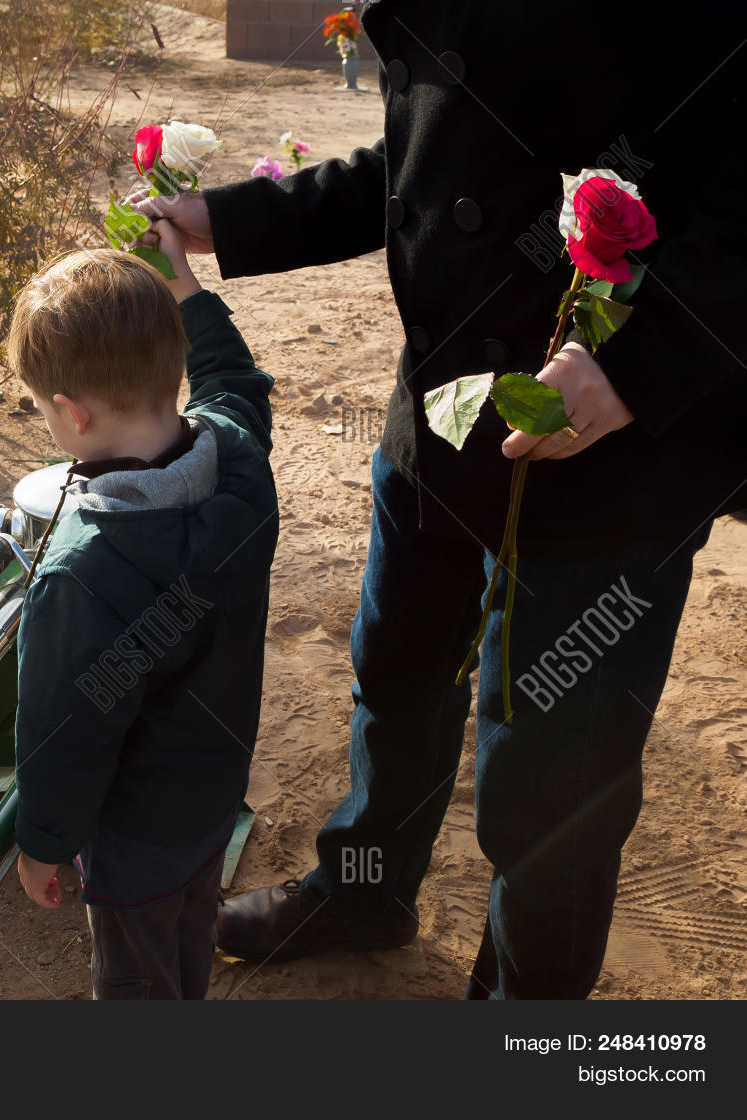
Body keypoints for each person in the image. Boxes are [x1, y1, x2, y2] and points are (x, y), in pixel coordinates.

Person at [134, 1, 747, 998]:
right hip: (442, 413)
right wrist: (235, 218)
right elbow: (418, 169)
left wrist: (644, 363)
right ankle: (367, 890)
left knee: (556, 779)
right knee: (399, 671)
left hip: (612, 459)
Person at [7, 225, 277, 999]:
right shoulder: (239, 459)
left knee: (135, 981)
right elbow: (235, 381)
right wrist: (185, 287)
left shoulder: (83, 575)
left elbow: (65, 736)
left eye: (42, 412)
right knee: (190, 930)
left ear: (72, 413)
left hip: (133, 840)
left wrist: (41, 843)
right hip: (213, 797)